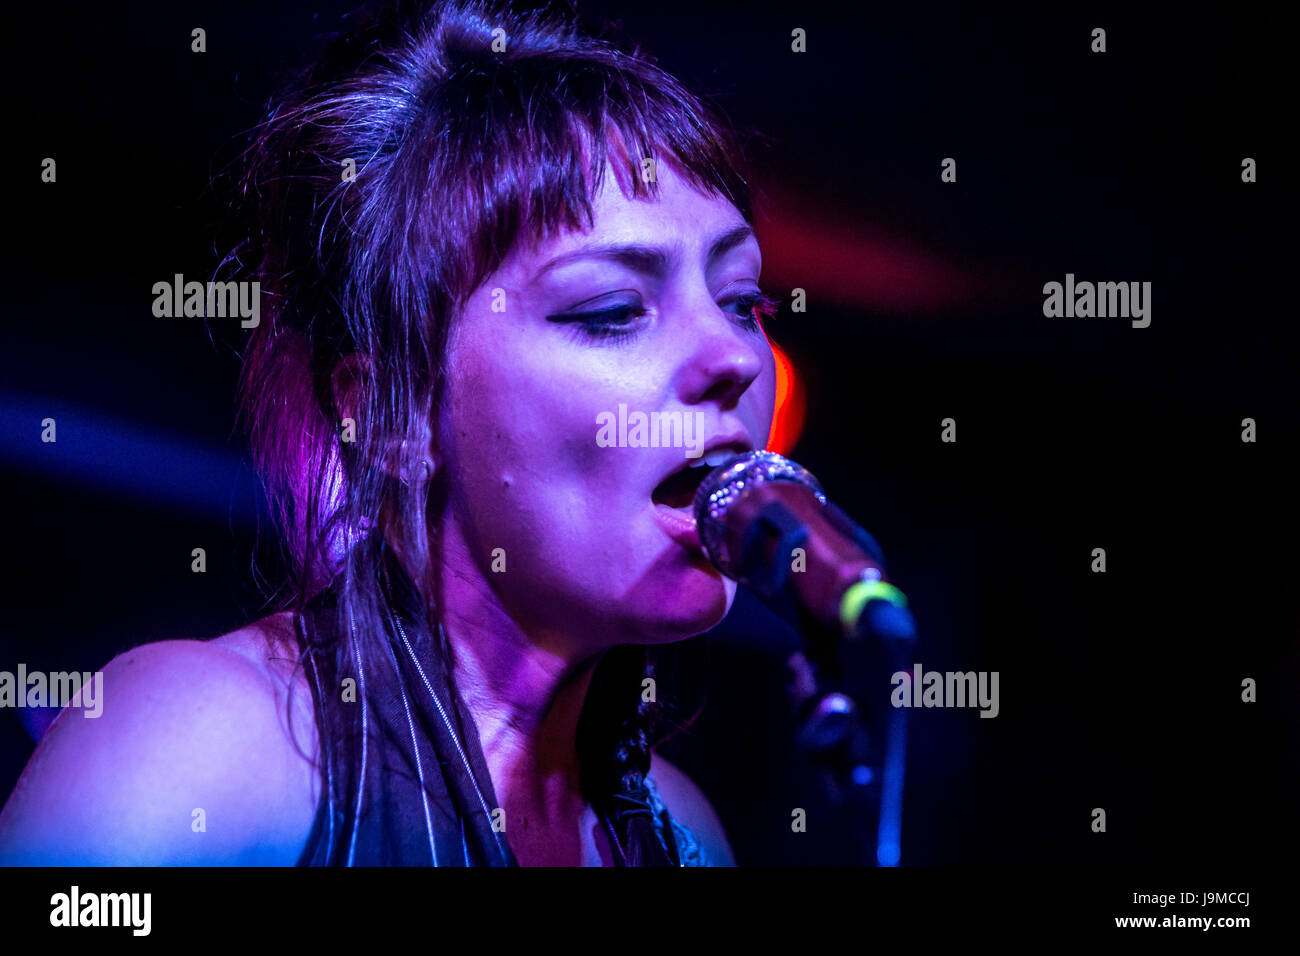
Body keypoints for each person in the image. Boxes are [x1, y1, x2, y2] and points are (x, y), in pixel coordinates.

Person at [0, 0, 778, 865]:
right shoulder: (200, 742)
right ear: (390, 412)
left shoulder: (684, 836)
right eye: (611, 309)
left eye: (743, 301)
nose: (732, 354)